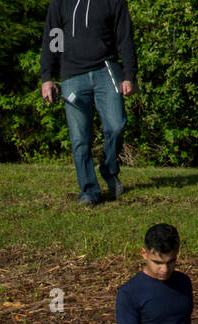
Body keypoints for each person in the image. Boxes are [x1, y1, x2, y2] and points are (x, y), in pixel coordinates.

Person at [39, 0, 137, 206]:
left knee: (116, 125)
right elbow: (52, 37)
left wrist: (129, 74)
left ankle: (109, 170)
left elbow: (125, 37)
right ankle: (89, 191)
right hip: (72, 75)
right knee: (79, 138)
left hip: (106, 70)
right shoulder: (60, 3)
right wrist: (47, 77)